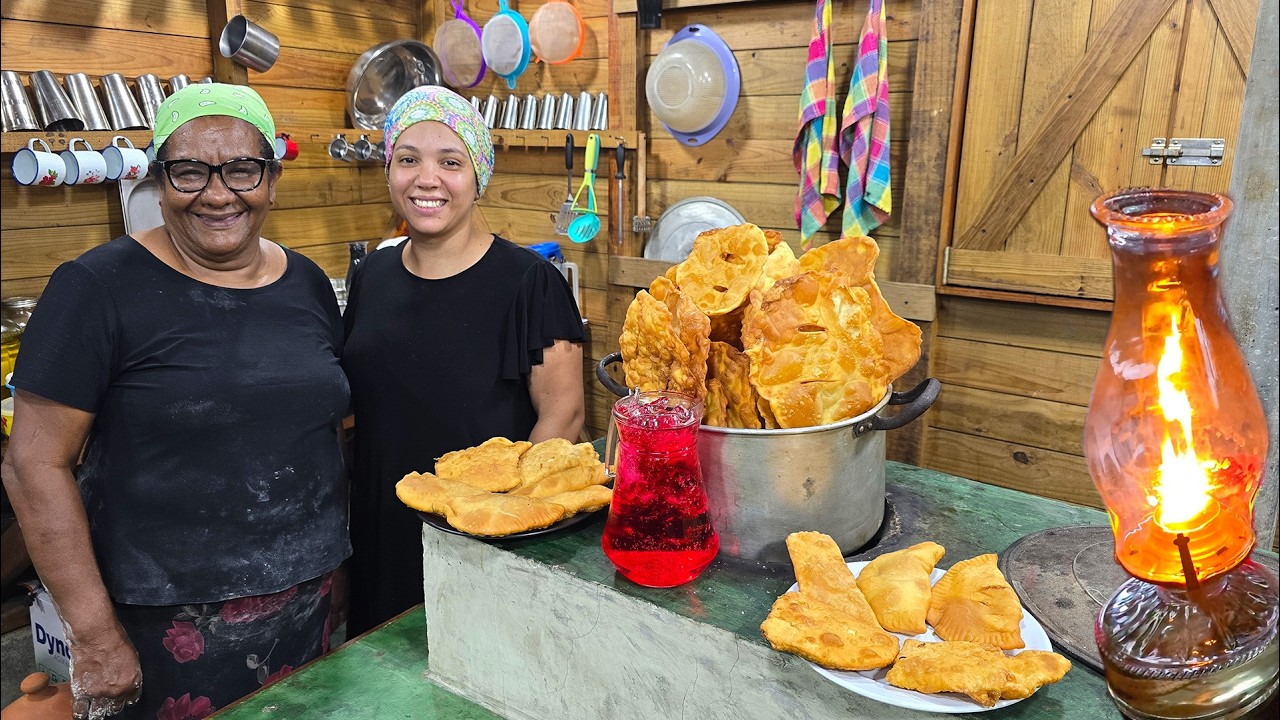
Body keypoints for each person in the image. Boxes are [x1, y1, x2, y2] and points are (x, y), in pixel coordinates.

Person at [1, 84, 351, 719]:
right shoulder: (95, 288)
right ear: (159, 180)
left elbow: (315, 436)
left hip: (306, 597)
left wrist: (335, 569)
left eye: (243, 169)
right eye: (189, 170)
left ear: (271, 178)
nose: (217, 194)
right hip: (161, 619)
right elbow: (31, 466)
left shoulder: (305, 284)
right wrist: (95, 635)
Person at [342, 85, 586, 635]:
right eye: (408, 160)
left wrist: (505, 532)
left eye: (449, 162)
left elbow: (562, 422)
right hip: (382, 535)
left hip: (487, 543)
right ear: (389, 172)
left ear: (478, 176)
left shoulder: (531, 283)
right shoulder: (372, 277)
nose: (426, 179)